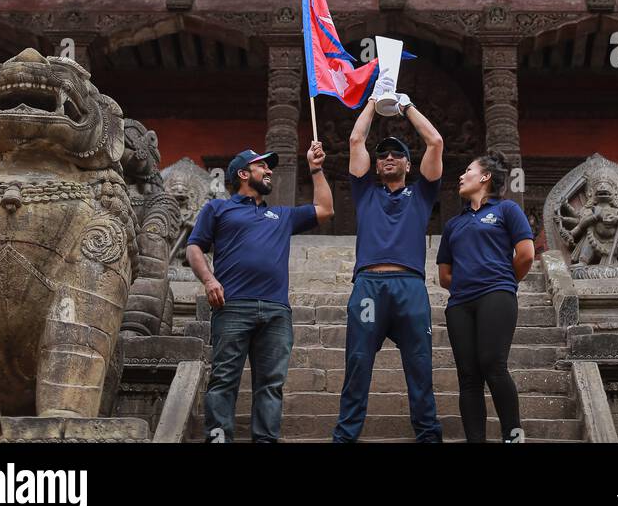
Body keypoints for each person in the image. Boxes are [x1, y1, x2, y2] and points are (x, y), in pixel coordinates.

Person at [186, 141, 333, 443]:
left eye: (269, 166)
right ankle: (218, 440)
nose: (269, 171)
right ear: (242, 173)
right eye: (262, 166)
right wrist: (209, 280)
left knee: (270, 384)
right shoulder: (218, 208)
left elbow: (326, 209)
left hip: (276, 311)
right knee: (223, 380)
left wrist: (316, 169)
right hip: (233, 306)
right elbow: (194, 247)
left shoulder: (282, 215)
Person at [332, 85, 444, 443]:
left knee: (420, 368)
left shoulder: (423, 193)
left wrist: (405, 104)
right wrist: (373, 102)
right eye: (383, 156)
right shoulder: (365, 192)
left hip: (410, 288)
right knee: (358, 364)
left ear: (409, 164)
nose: (388, 158)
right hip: (369, 289)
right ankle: (345, 437)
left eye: (397, 154)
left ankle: (428, 436)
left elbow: (436, 142)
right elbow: (355, 140)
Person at [437, 153, 535, 443]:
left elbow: (527, 254)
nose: (461, 175)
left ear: (485, 177)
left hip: (497, 295)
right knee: (468, 377)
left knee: (493, 364)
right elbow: (444, 275)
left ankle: (512, 437)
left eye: (468, 170)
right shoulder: (453, 225)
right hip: (459, 305)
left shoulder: (507, 210)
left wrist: (502, 282)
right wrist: (468, 283)